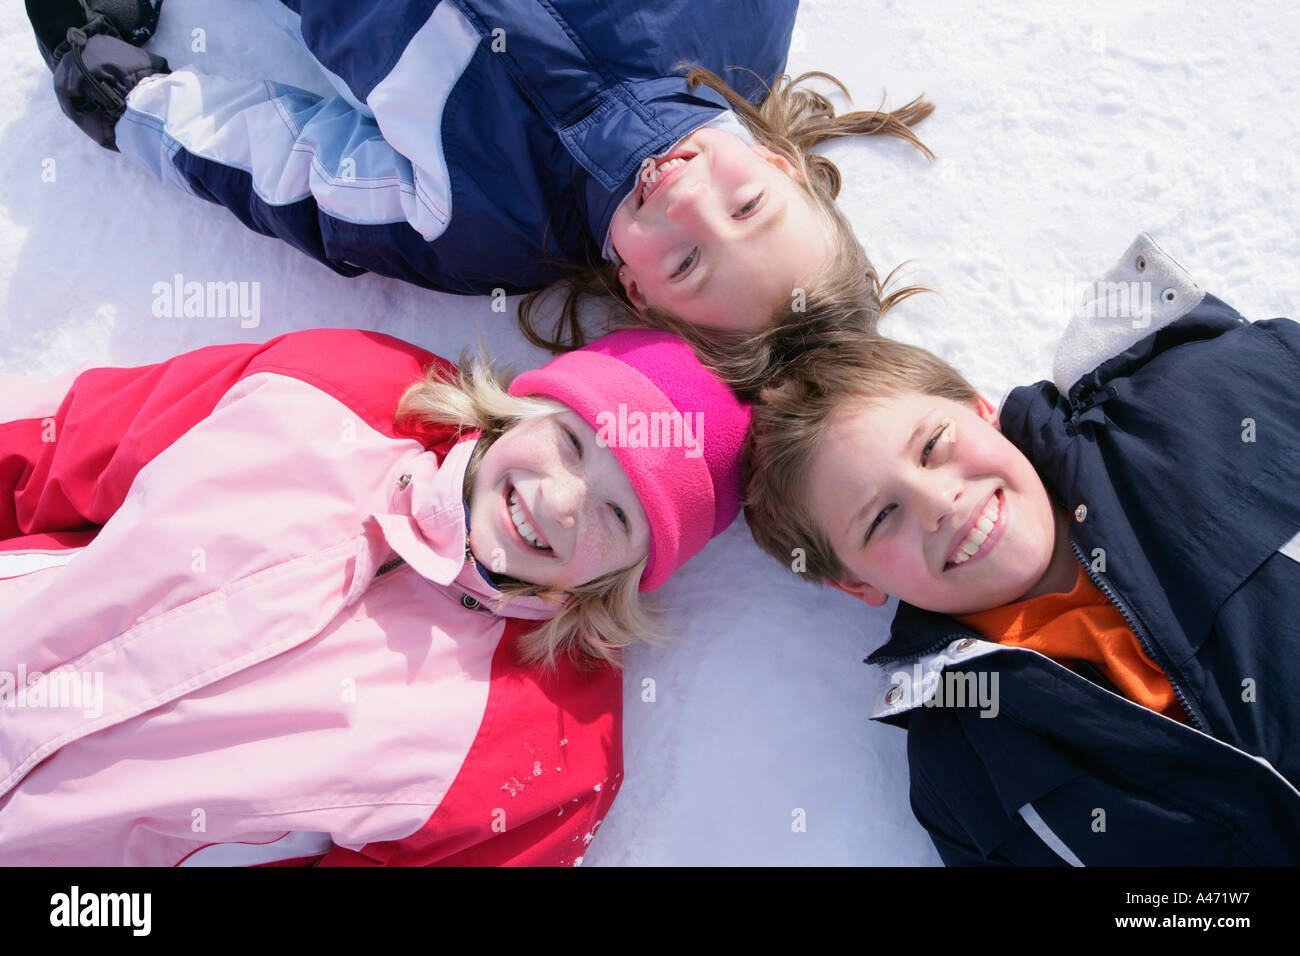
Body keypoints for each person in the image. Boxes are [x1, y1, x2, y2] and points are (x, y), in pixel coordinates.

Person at [0, 325, 750, 865]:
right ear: (521, 408)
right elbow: (62, 446)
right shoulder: (337, 389)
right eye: (571, 442)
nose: (560, 500)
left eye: (617, 515)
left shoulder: (544, 748)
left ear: (626, 578)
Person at [25, 0, 934, 390]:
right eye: (748, 209)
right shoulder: (733, 21)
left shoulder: (484, 224)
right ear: (782, 164)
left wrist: (134, 105)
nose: (690, 203)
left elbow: (288, 168)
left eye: (689, 262)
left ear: (638, 294)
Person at [741, 233, 1300, 865]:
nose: (939, 502)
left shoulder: (1214, 400)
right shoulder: (966, 771)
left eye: (932, 447)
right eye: (882, 518)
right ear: (853, 581)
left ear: (983, 410)